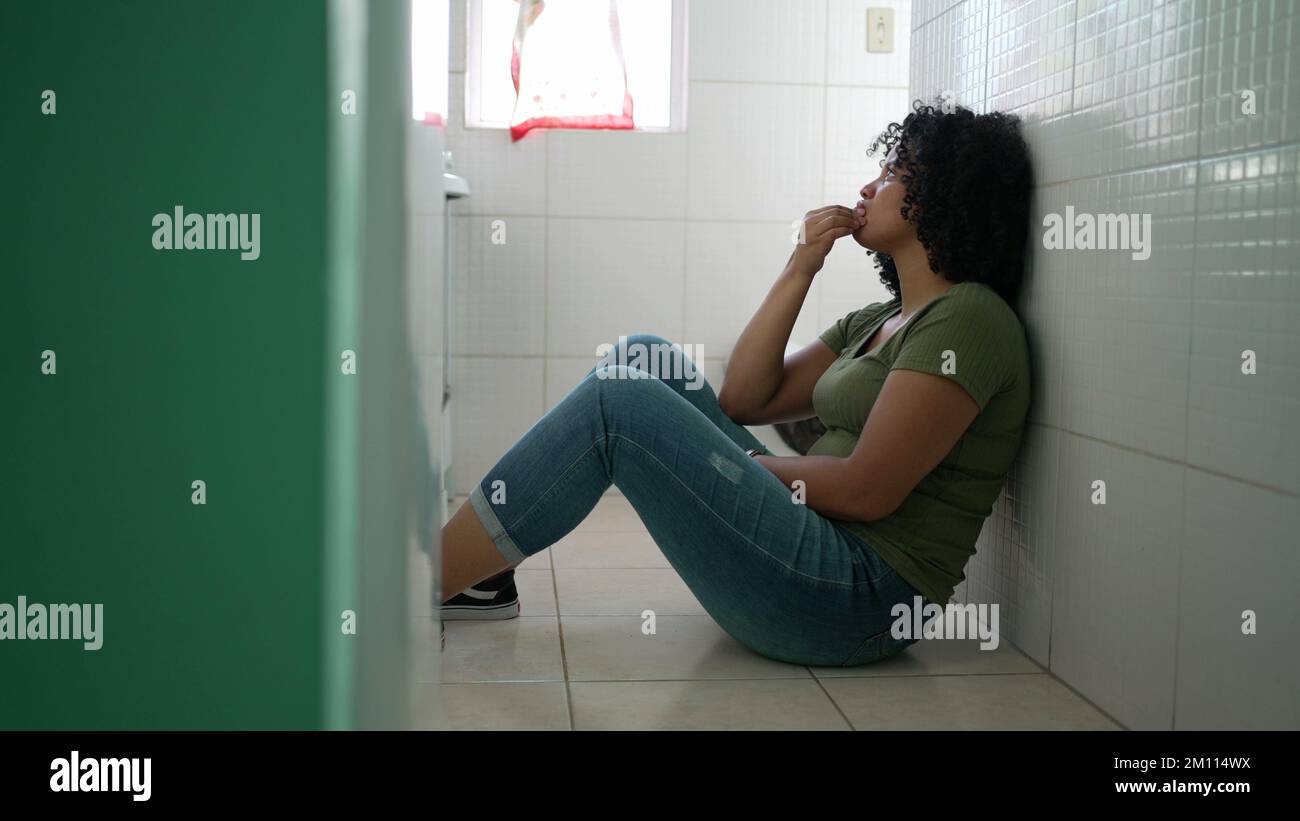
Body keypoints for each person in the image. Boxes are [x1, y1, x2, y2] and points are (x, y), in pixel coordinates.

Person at [436, 99, 1035, 667]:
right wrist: (801, 264)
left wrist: (741, 463)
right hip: (811, 547)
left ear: (941, 198)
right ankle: (481, 579)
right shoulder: (880, 318)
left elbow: (864, 492)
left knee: (618, 400)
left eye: (892, 173)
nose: (867, 188)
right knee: (644, 358)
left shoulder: (968, 317)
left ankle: (422, 582)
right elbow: (747, 399)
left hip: (854, 595)